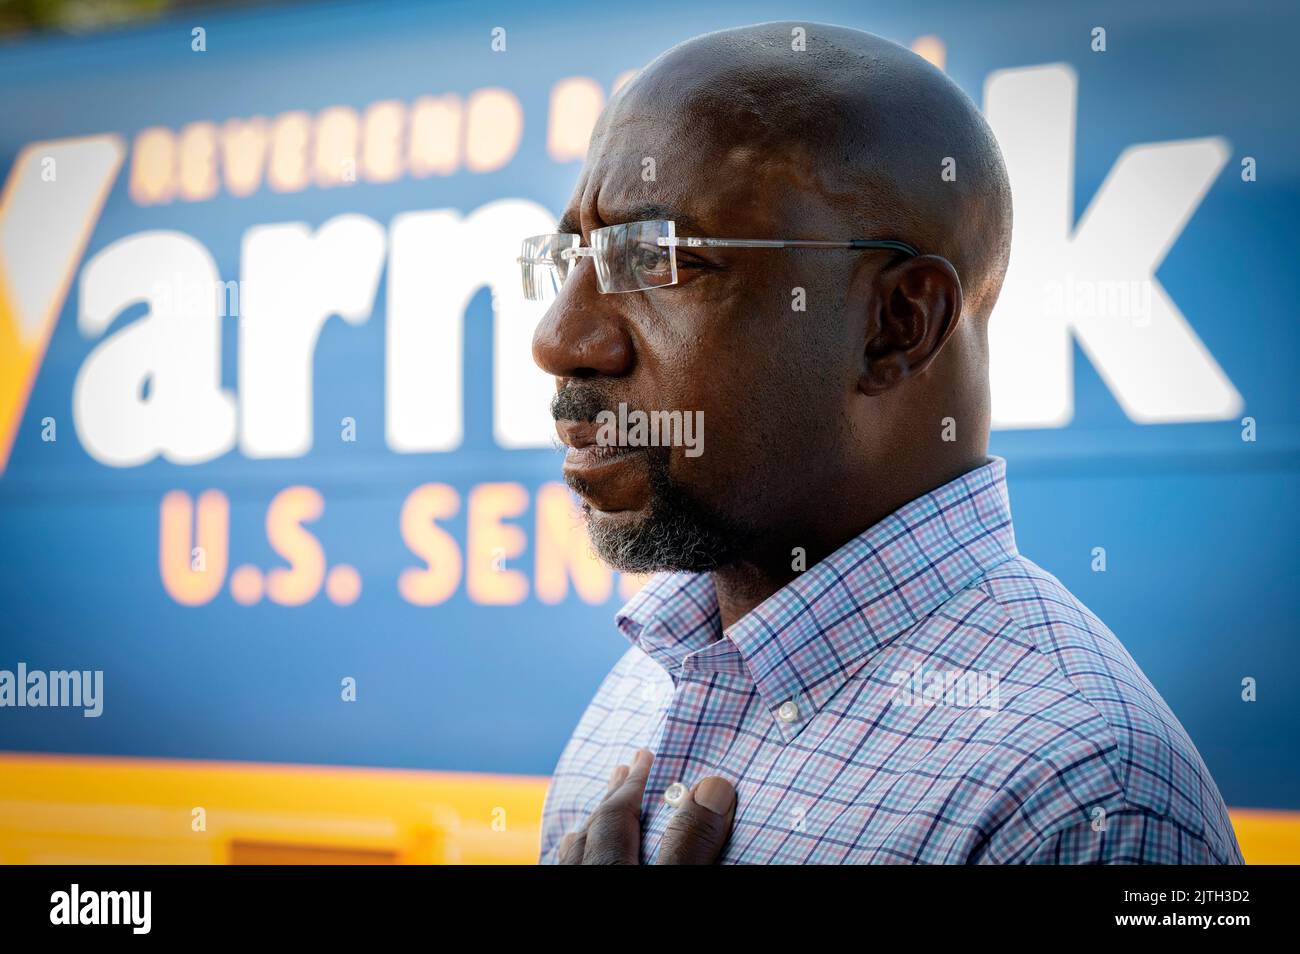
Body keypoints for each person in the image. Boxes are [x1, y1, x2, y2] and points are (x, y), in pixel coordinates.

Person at [525, 21, 1243, 864]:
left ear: (896, 325)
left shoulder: (1083, 797)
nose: (559, 337)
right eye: (569, 258)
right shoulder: (649, 684)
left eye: (659, 260)